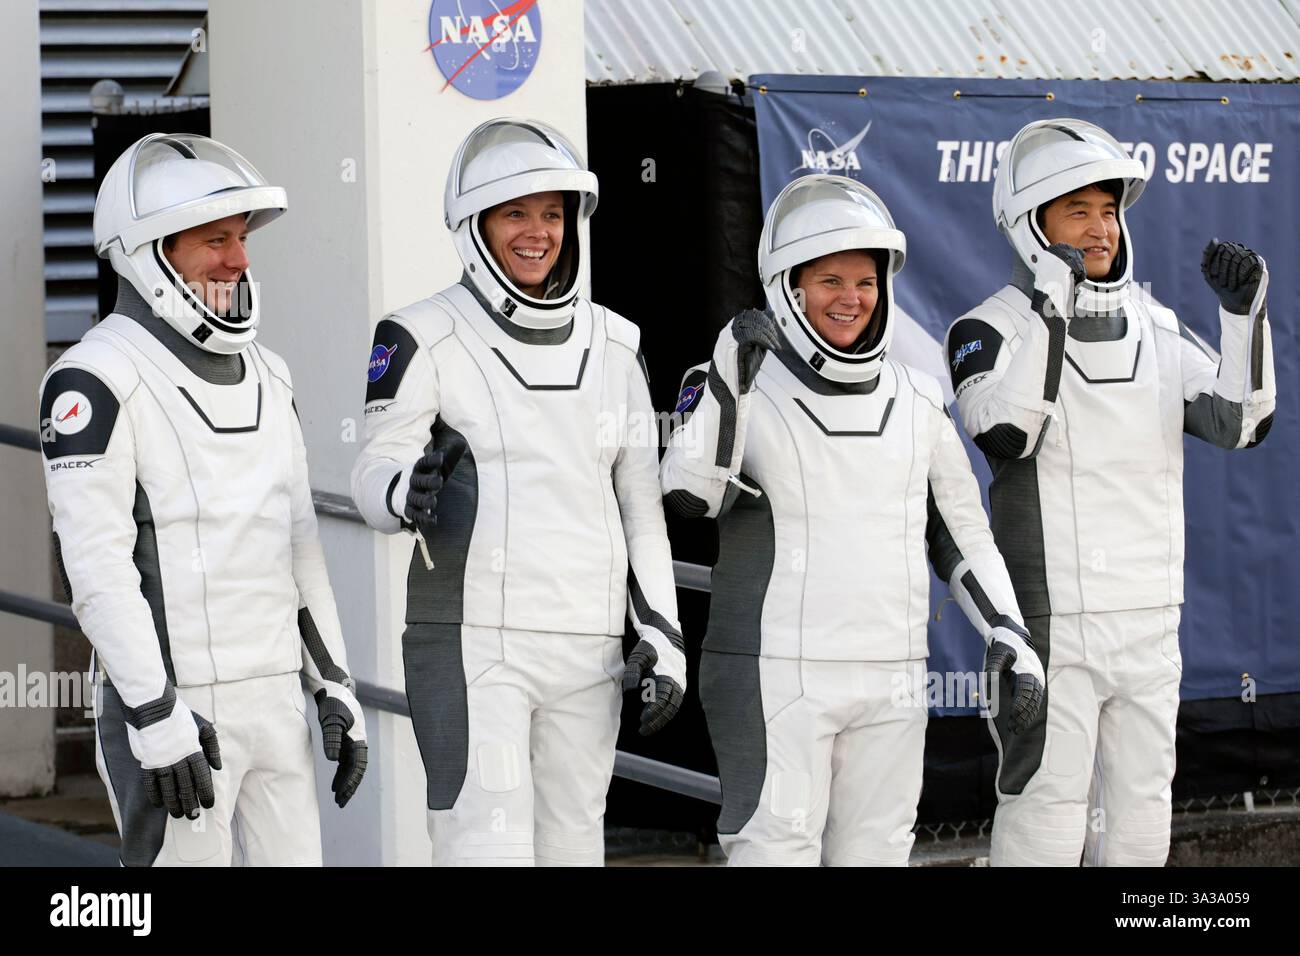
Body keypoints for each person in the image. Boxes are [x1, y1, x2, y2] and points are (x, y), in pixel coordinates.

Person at [660, 174, 1044, 866]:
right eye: (829, 280)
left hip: (893, 677)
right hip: (774, 675)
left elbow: (961, 533)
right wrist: (727, 380)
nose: (851, 299)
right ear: (787, 285)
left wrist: (1007, 632)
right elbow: (690, 498)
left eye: (865, 281)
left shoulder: (919, 395)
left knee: (877, 854)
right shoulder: (725, 383)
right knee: (773, 850)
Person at [350, 117, 686, 866]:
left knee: (574, 848)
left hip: (589, 647)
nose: (538, 232)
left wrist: (663, 637)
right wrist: (406, 490)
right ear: (475, 225)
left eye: (553, 214)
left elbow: (641, 507)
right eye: (516, 213)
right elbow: (373, 472)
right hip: (472, 643)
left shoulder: (615, 343)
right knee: (483, 846)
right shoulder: (418, 335)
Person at [944, 118, 1275, 866]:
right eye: (1077, 212)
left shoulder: (1155, 326)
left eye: (1108, 210)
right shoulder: (985, 330)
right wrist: (1052, 304)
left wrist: (1242, 316)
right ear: (1031, 226)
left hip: (1152, 625)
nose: (1099, 230)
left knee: (1140, 823)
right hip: (1052, 628)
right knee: (1047, 815)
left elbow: (1241, 422)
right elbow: (1007, 433)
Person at [40, 133, 367, 866]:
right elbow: (96, 571)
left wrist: (335, 686)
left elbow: (299, 547)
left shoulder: (270, 372)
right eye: (215, 240)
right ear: (147, 251)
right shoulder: (92, 378)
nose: (240, 260)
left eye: (242, 239)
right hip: (178, 711)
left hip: (278, 701)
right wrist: (155, 717)